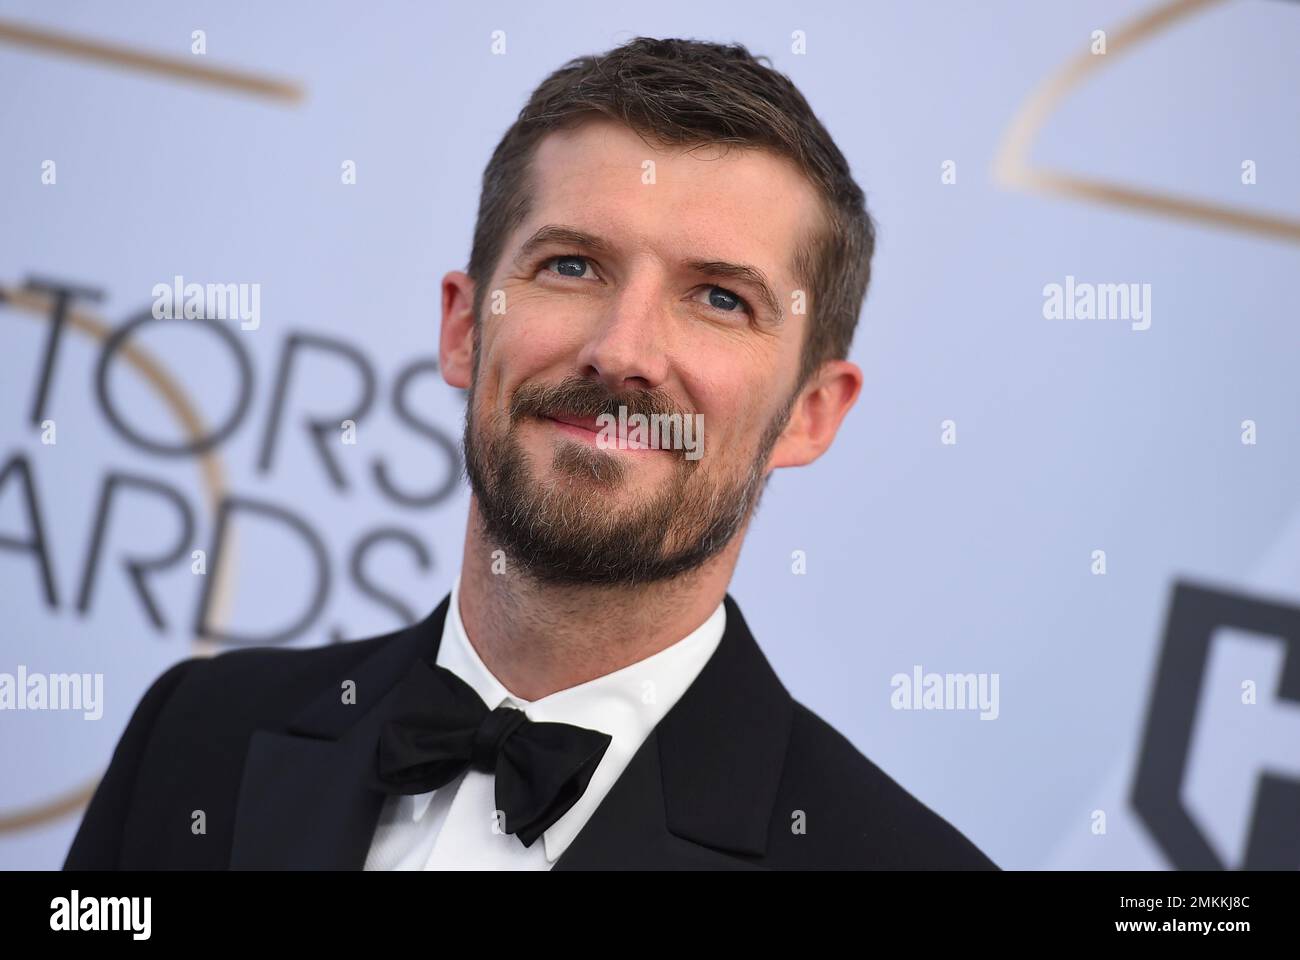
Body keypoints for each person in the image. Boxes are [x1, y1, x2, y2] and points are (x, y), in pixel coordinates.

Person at [64, 36, 997, 870]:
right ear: (466, 328)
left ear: (810, 413)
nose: (623, 352)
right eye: (572, 266)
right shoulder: (196, 735)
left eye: (719, 298)